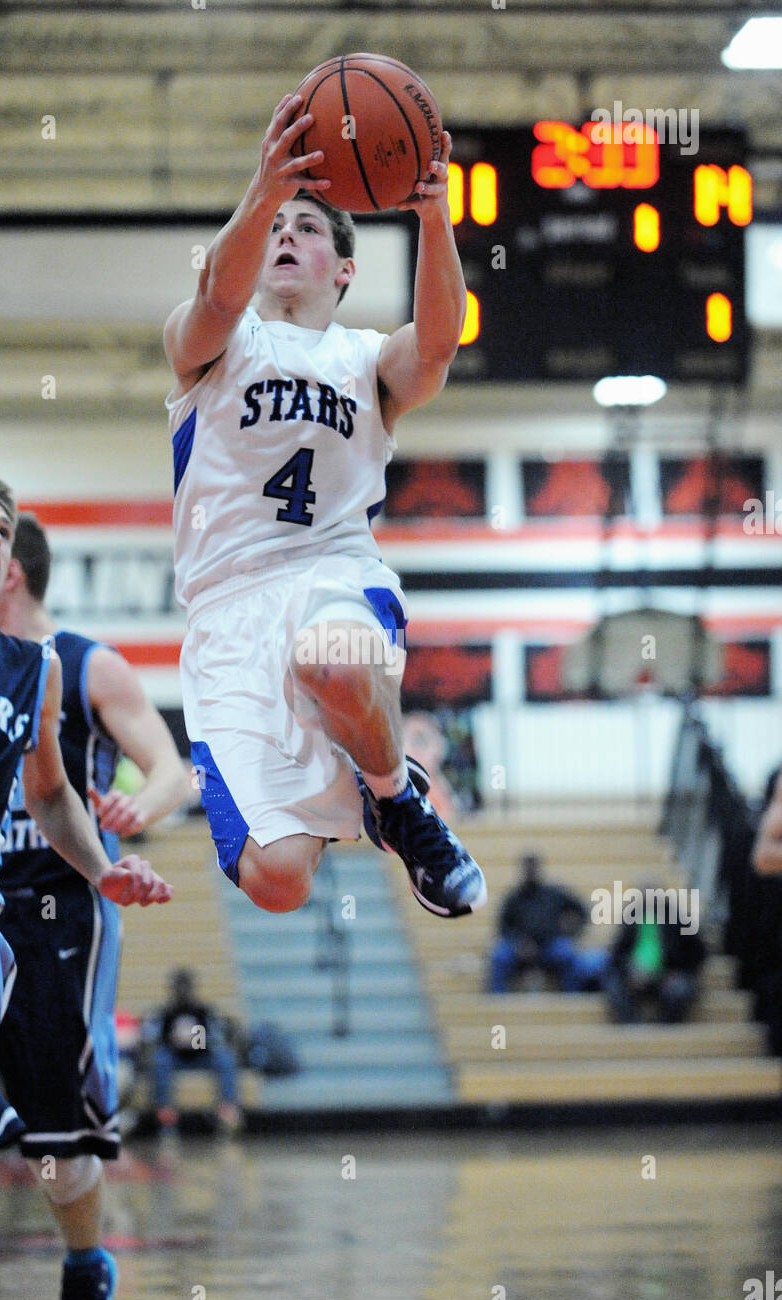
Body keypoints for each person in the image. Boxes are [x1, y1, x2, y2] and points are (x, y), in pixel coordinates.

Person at [163, 92, 486, 920]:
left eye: (308, 229)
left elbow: (441, 342)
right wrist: (264, 193)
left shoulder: (368, 359)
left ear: (346, 269)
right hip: (225, 614)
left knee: (335, 656)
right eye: (277, 228)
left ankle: (399, 803)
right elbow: (215, 297)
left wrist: (436, 216)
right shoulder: (212, 344)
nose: (286, 237)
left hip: (328, 571)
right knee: (279, 882)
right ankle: (367, 777)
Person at [0, 472, 172, 1300]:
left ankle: (84, 1261)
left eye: (4, 527)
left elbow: (55, 793)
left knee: (42, 1127)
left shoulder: (43, 669)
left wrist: (108, 864)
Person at [0, 512, 189, 1300]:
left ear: (9, 571)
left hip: (61, 894)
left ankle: (84, 1263)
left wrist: (145, 808)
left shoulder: (86, 663)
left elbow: (170, 766)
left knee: (61, 1106)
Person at [144, 969, 241, 1135]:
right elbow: (150, 1036)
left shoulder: (204, 1011)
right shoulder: (165, 1013)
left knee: (225, 1059)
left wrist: (202, 1039)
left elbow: (221, 1033)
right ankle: (165, 1110)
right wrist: (171, 1040)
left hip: (201, 1056)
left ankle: (227, 1107)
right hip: (173, 1058)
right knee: (160, 1060)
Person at [489, 853, 594, 993]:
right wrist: (518, 943)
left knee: (567, 954)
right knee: (499, 956)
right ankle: (497, 1004)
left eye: (533, 866)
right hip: (519, 949)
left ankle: (572, 998)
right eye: (527, 866)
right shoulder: (513, 898)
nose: (530, 870)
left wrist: (571, 932)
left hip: (550, 946)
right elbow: (503, 928)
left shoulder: (554, 893)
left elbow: (582, 911)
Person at [604, 898, 707, 1024]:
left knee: (680, 989)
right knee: (614, 985)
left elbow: (698, 951)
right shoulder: (630, 918)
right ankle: (631, 1028)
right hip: (637, 978)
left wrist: (677, 972)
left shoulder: (678, 919)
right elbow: (617, 954)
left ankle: (667, 1029)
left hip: (670, 976)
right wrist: (630, 972)